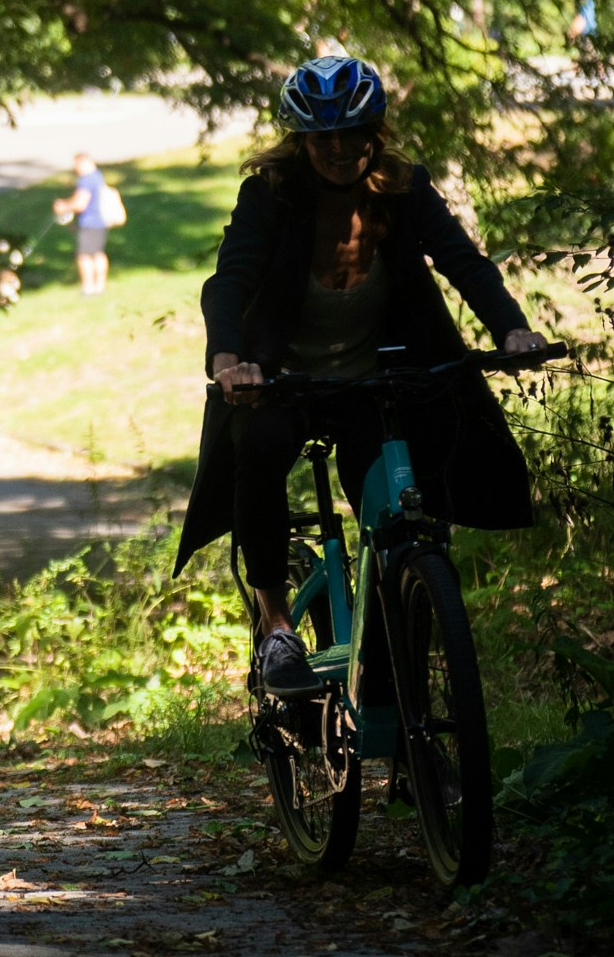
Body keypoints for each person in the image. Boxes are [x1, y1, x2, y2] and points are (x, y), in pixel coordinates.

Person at [173, 56, 545, 693]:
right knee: (257, 449)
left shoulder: (402, 190)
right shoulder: (272, 195)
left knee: (404, 506)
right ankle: (278, 628)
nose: (339, 149)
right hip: (282, 379)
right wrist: (228, 359)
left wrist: (511, 328)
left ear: (377, 131)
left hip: (378, 381)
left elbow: (464, 262)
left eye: (352, 133)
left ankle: (400, 659)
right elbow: (229, 280)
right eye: (324, 137)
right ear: (302, 140)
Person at [52, 149, 117, 293]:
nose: (75, 170)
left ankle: (89, 288)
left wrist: (63, 206)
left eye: (76, 166)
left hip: (90, 222)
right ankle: (99, 286)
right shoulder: (97, 176)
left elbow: (80, 203)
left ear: (83, 163)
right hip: (101, 222)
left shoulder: (86, 180)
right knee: (98, 253)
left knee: (84, 256)